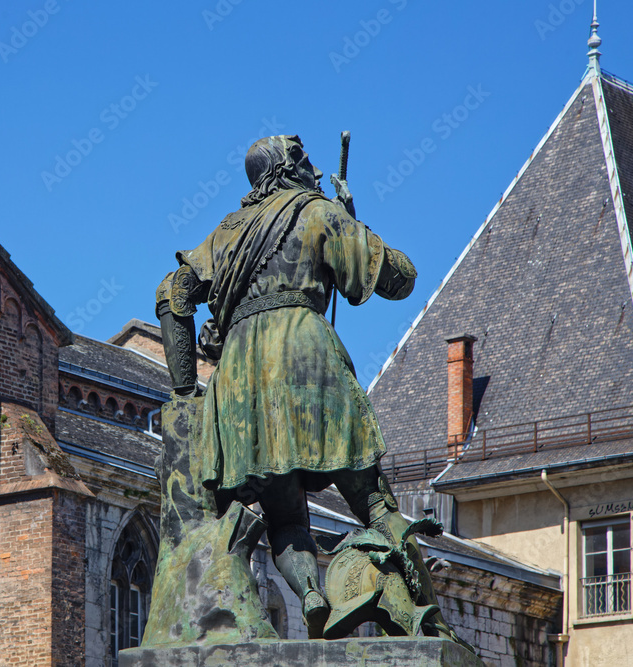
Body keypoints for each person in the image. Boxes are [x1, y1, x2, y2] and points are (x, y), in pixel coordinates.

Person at [155, 135, 458, 642]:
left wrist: (186, 391)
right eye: (308, 162)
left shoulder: (226, 233)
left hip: (241, 379)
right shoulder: (317, 212)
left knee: (284, 514)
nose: (316, 172)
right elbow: (400, 278)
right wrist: (352, 224)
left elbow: (173, 294)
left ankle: (312, 595)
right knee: (374, 501)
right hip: (305, 356)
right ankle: (433, 626)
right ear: (289, 167)